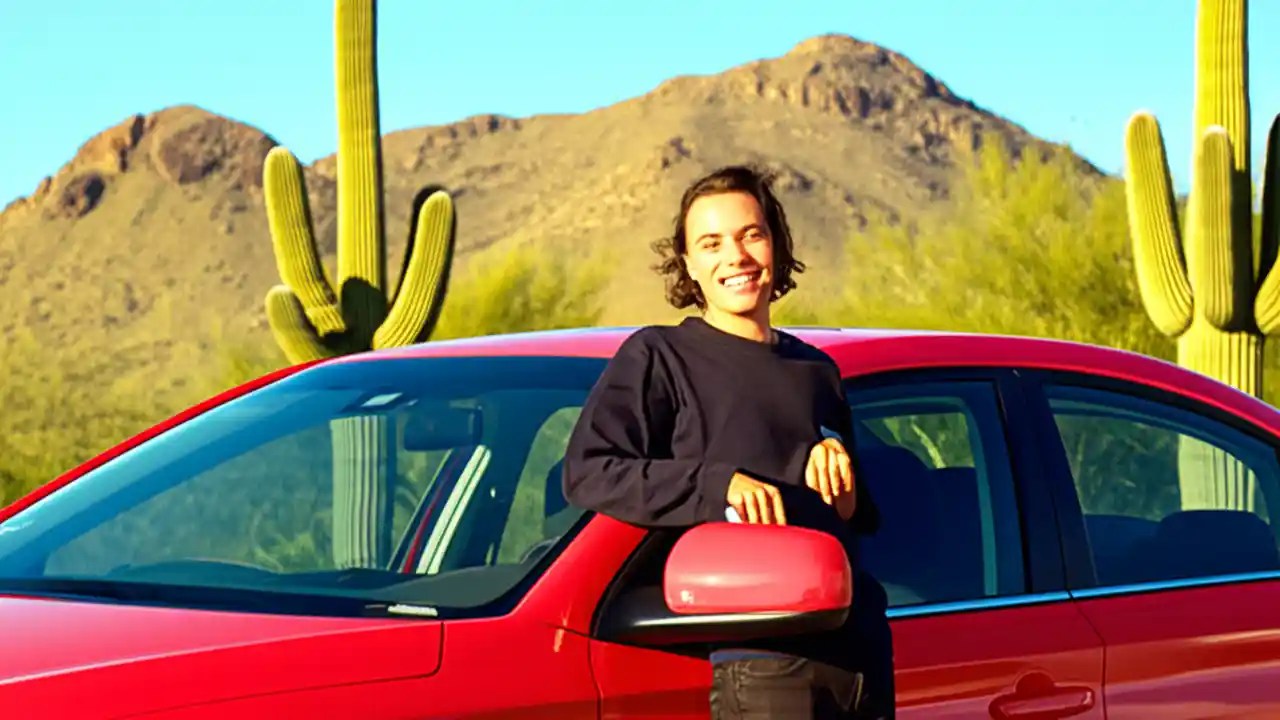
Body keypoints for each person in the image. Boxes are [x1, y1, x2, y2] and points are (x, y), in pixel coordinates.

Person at [561, 164, 894, 719]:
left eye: (751, 235)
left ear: (775, 246)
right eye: (711, 244)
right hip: (758, 660)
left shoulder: (817, 370)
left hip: (857, 649)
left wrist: (845, 477)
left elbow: (852, 518)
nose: (735, 257)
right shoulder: (660, 357)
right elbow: (590, 470)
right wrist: (718, 484)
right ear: (689, 265)